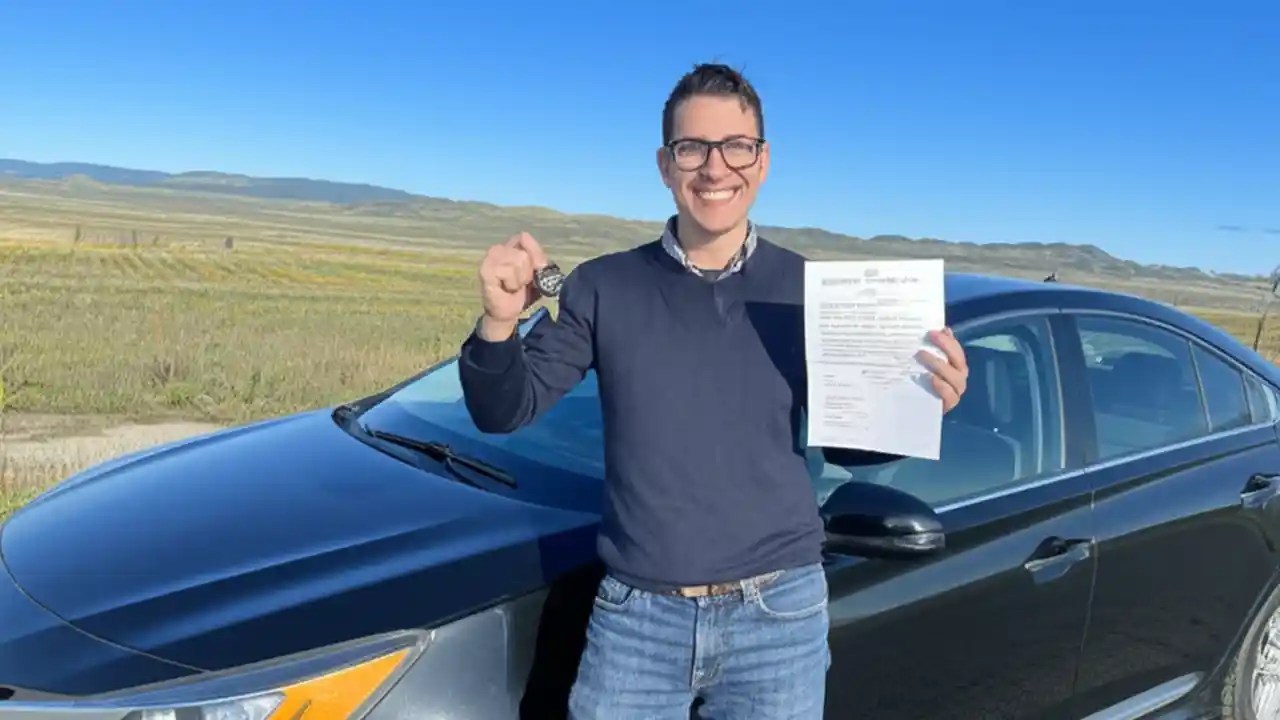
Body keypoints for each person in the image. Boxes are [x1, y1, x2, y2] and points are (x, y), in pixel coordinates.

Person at [457, 63, 969, 720]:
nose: (715, 167)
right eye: (692, 147)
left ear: (763, 160)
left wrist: (922, 401)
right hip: (637, 621)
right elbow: (504, 409)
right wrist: (500, 323)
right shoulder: (600, 286)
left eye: (737, 145)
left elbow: (850, 446)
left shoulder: (813, 290)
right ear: (665, 164)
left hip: (779, 618)